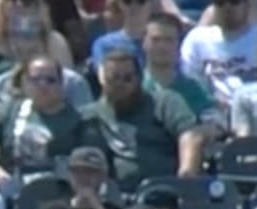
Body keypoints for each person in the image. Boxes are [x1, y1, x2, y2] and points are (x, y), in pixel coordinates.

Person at [83, 47, 204, 189]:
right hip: (111, 197)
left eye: (127, 78)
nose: (120, 84)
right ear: (102, 79)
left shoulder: (164, 102)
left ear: (140, 78)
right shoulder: (89, 115)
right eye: (113, 78)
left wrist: (186, 177)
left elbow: (190, 136)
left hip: (163, 192)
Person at [0, 54, 89, 194]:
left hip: (60, 192)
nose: (43, 85)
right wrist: (4, 181)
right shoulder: (8, 111)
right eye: (35, 79)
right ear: (24, 83)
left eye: (50, 80)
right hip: (11, 187)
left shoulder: (78, 119)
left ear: (61, 84)